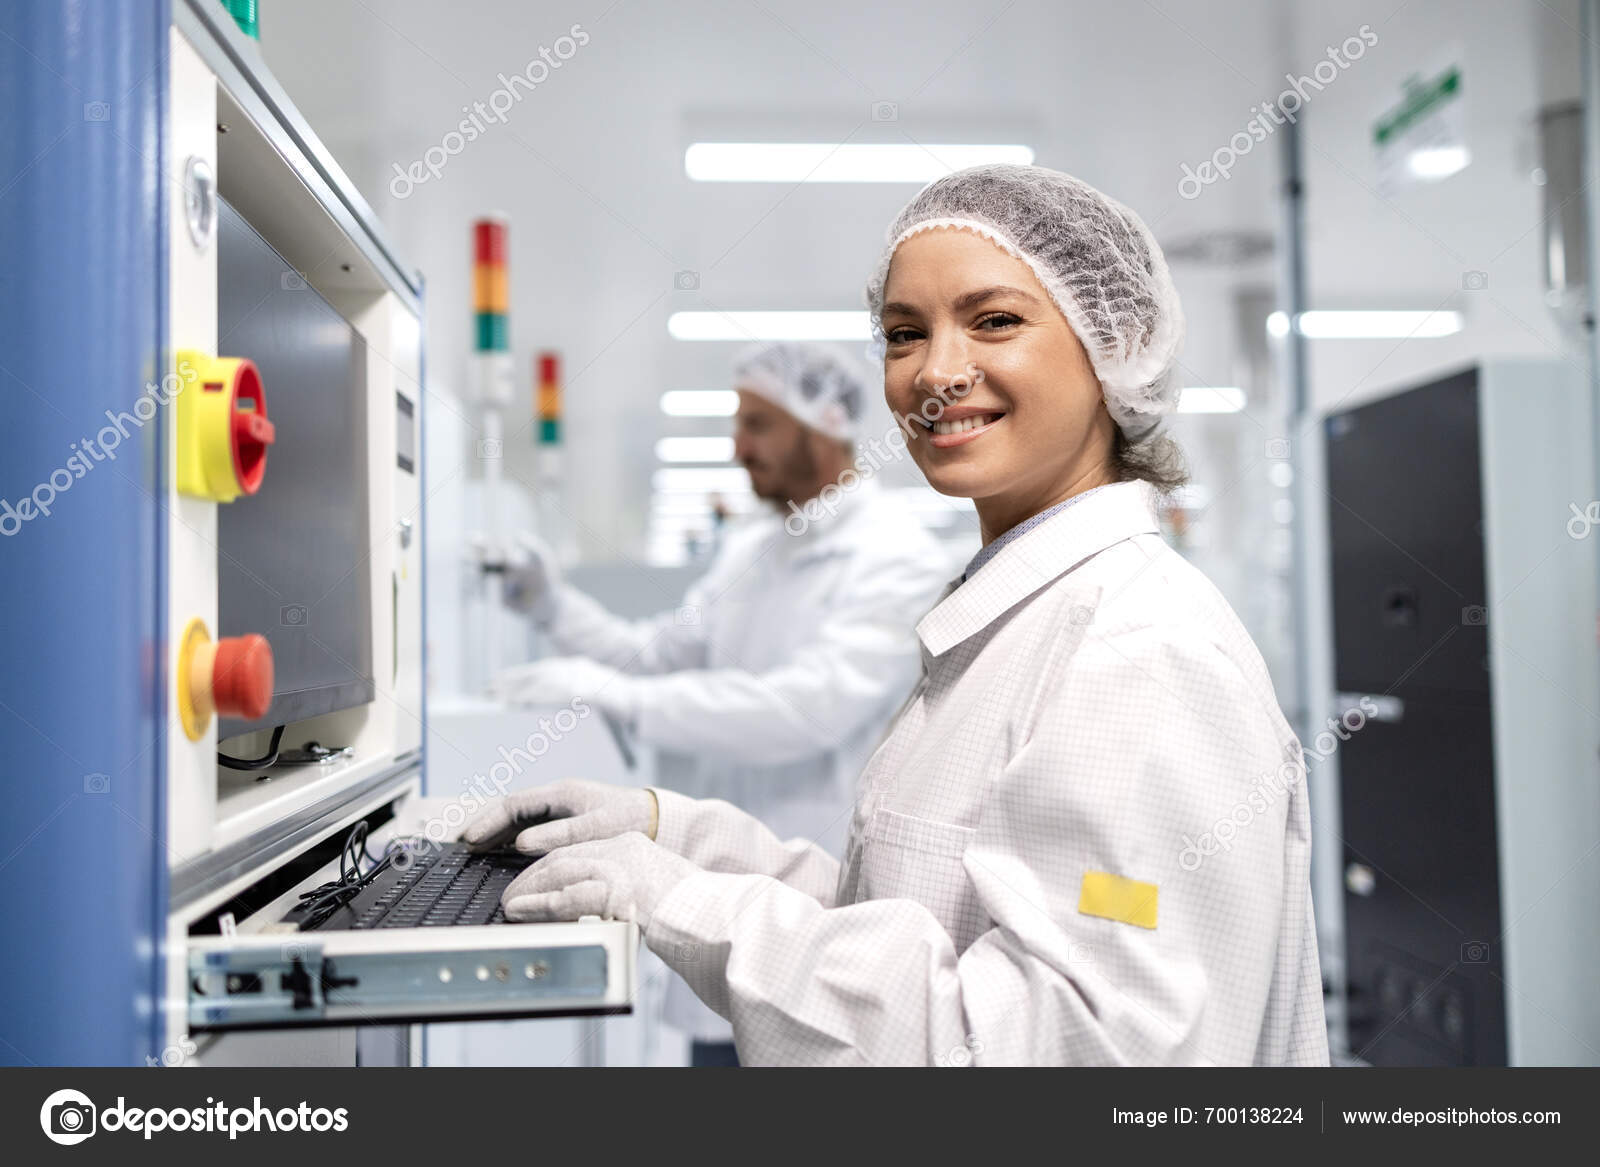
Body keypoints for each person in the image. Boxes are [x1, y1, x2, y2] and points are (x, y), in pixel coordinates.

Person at [466, 164, 1328, 1066]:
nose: (937, 372)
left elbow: (1066, 1051)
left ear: (1117, 341)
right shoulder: (1017, 611)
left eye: (994, 320)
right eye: (903, 334)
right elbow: (911, 913)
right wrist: (670, 832)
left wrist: (681, 901)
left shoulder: (1137, 655)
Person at [486, 341, 952, 1065]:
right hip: (711, 900)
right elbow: (655, 653)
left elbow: (801, 708)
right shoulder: (754, 549)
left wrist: (616, 694)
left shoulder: (897, 554)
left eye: (758, 424)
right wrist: (551, 607)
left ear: (824, 423)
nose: (737, 448)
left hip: (816, 916)